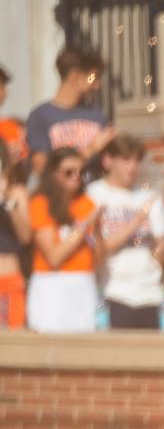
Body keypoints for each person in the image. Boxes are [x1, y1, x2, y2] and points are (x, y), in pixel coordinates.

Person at [86, 135, 164, 330]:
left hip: (151, 294)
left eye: (136, 161)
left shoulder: (149, 197)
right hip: (113, 292)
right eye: (125, 160)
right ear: (107, 161)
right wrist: (136, 222)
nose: (132, 167)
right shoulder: (93, 195)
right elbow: (100, 249)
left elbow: (161, 253)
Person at [25, 147, 100, 332]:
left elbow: (98, 255)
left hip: (84, 283)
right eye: (69, 172)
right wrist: (83, 226)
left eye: (81, 172)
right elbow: (54, 257)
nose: (76, 176)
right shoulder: (40, 203)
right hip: (51, 285)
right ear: (54, 174)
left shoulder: (87, 203)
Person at [24, 46, 113, 175]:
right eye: (93, 78)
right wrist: (89, 150)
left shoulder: (97, 114)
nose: (97, 85)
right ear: (74, 77)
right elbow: (42, 168)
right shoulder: (40, 116)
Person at [1, 149, 31, 327]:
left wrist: (6, 201)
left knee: (13, 339)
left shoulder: (16, 193)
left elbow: (26, 236)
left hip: (9, 279)